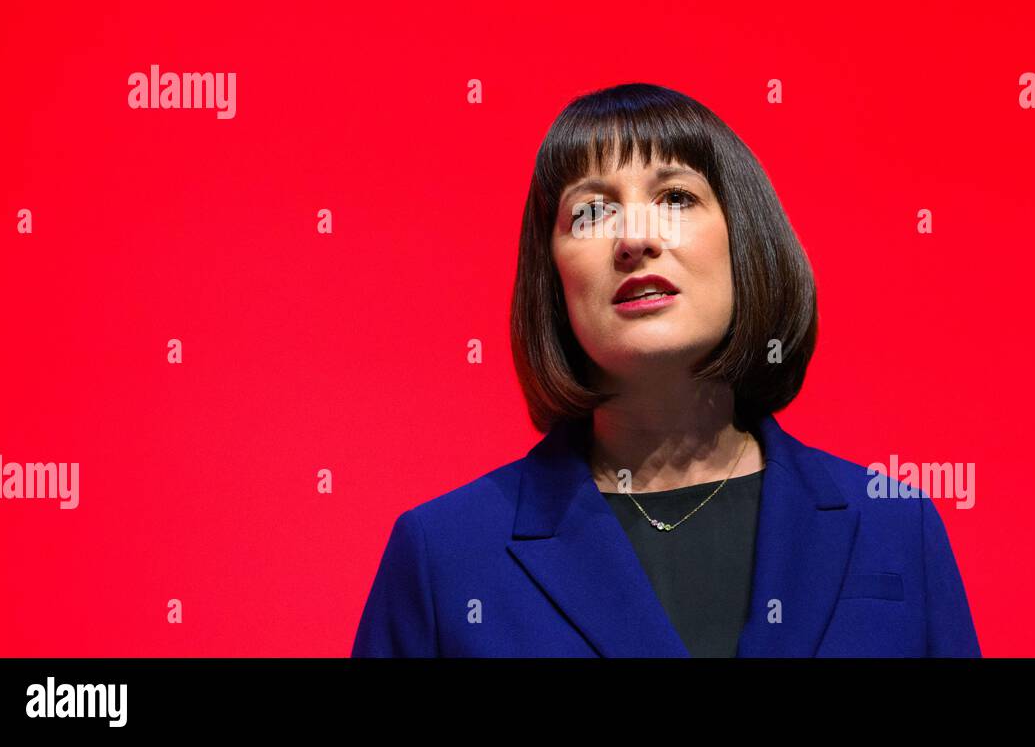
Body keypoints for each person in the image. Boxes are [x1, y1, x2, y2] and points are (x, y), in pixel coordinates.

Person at [352, 82, 981, 657]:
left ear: (745, 242)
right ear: (554, 279)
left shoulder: (896, 527)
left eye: (675, 197)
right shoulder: (444, 556)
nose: (636, 237)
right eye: (591, 212)